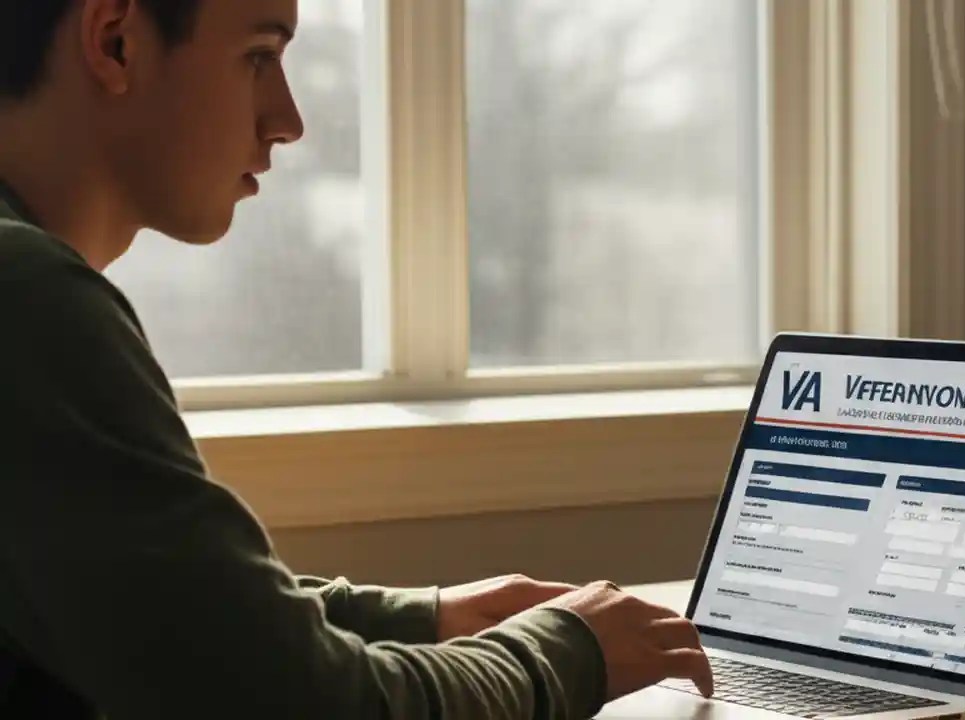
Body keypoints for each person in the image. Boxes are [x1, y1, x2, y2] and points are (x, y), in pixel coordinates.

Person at [0, 0, 714, 717]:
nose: (288, 120)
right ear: (115, 41)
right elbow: (309, 704)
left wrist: (426, 620)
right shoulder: (28, 299)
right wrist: (567, 651)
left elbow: (171, 614)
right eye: (258, 55)